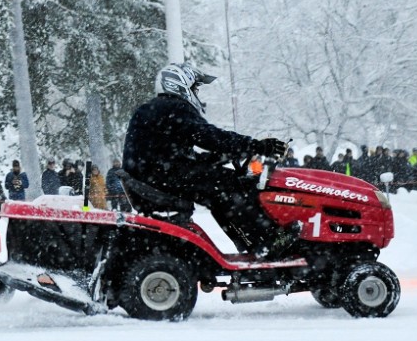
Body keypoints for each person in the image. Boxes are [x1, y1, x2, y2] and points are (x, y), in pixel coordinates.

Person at [122, 62, 297, 258]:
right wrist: (257, 146)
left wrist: (218, 158)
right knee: (227, 184)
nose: (197, 93)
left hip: (153, 177)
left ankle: (251, 242)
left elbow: (174, 154)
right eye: (195, 88)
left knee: (217, 189)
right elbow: (209, 136)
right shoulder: (173, 106)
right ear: (178, 84)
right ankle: (266, 241)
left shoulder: (156, 109)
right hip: (159, 178)